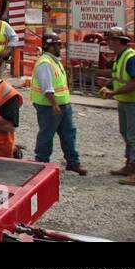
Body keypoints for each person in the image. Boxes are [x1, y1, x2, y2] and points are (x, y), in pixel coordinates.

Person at [32, 32, 87, 174]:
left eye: (59, 44)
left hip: (62, 104)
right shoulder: (45, 63)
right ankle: (41, 162)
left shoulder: (54, 61)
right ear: (47, 46)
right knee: (47, 135)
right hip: (49, 106)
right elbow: (47, 87)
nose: (58, 47)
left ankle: (73, 162)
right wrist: (54, 104)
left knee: (69, 133)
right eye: (55, 45)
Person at [100, 31, 135, 186]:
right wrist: (108, 82)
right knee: (126, 133)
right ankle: (130, 164)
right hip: (126, 100)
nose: (108, 43)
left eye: (110, 40)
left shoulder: (131, 57)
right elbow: (122, 77)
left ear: (118, 41)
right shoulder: (121, 56)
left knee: (134, 135)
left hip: (134, 101)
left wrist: (113, 92)